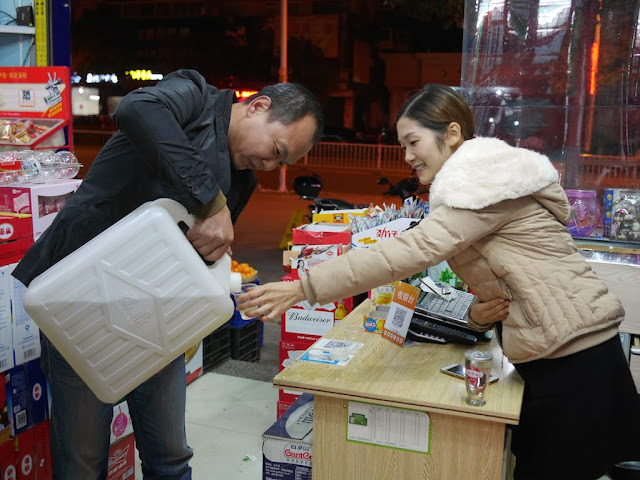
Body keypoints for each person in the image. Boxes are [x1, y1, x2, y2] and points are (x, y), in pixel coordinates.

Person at [239, 84, 640, 479]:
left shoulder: (484, 184)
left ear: (451, 134)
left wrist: (301, 287)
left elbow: (408, 251)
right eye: (403, 146)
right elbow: (511, 272)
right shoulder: (479, 185)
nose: (408, 156)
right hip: (559, 352)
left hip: (575, 362)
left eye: (414, 142)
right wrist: (480, 315)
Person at [12, 69, 323, 479]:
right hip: (81, 300)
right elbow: (136, 108)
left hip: (156, 318)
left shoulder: (243, 179)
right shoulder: (192, 97)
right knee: (83, 462)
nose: (269, 165)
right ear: (258, 107)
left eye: (282, 162)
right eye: (275, 149)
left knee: (171, 456)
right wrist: (210, 201)